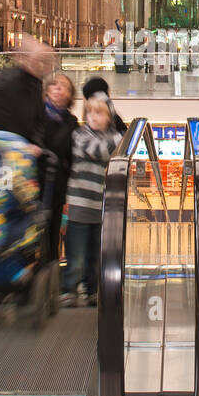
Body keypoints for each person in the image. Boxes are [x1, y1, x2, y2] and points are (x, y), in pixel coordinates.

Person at [62, 95, 122, 306]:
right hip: (79, 205)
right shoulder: (80, 135)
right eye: (90, 112)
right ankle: (68, 290)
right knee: (76, 255)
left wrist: (116, 137)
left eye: (99, 113)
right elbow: (99, 151)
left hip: (99, 206)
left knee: (95, 255)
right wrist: (119, 137)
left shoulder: (110, 137)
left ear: (108, 117)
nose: (94, 117)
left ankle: (92, 290)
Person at [41, 72, 78, 266]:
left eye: (64, 86)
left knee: (53, 233)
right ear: (46, 90)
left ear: (70, 96)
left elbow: (71, 158)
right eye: (54, 84)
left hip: (56, 188)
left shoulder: (71, 123)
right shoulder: (35, 115)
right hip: (32, 184)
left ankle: (48, 278)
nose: (58, 88)